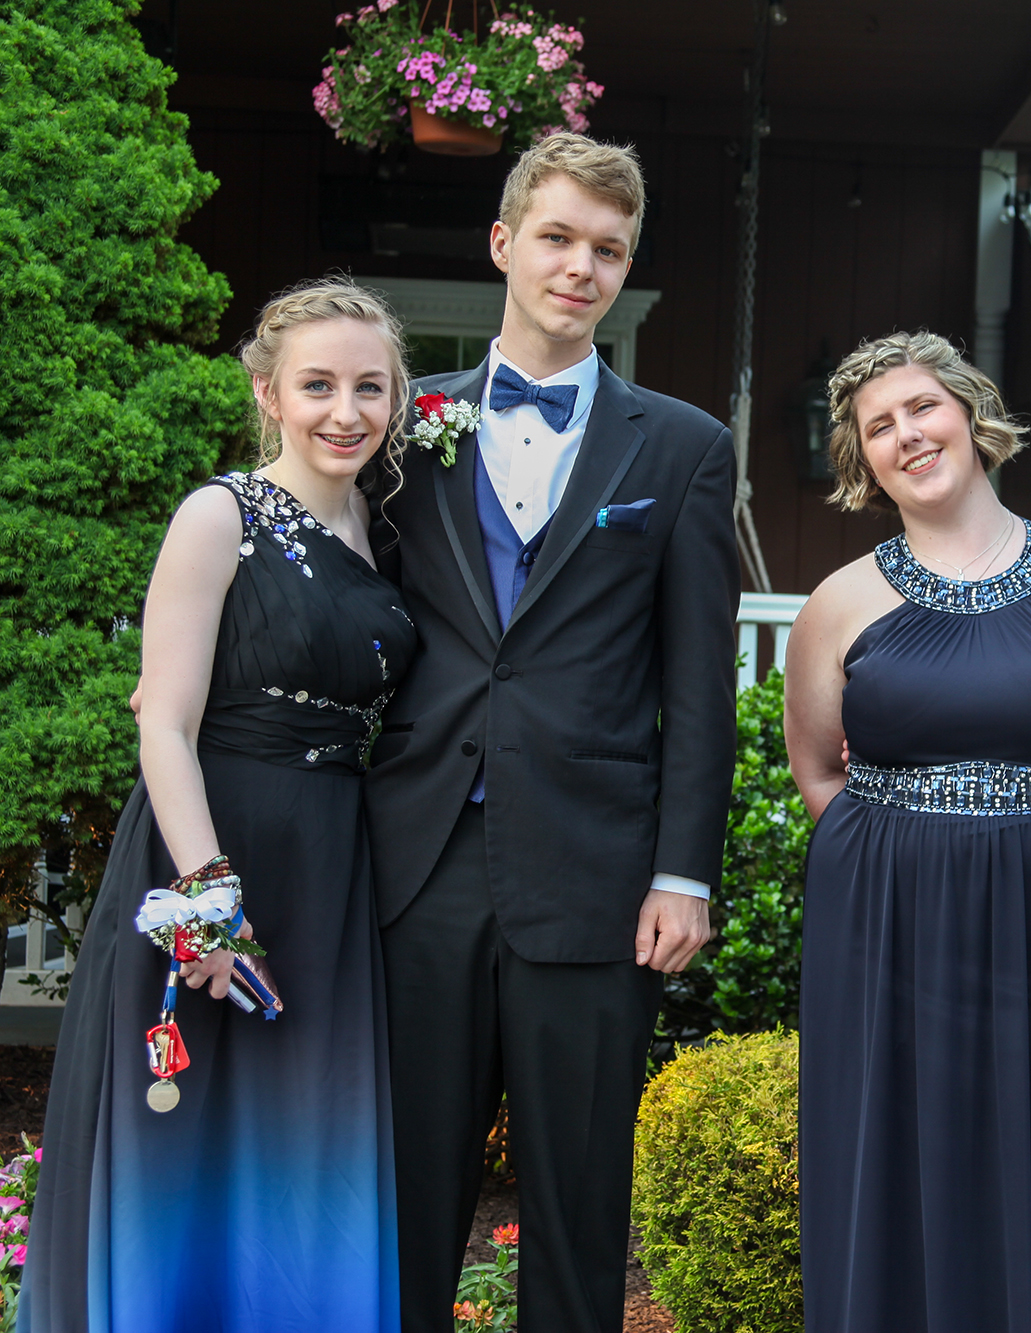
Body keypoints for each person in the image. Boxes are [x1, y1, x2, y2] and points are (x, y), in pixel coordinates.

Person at [362, 133, 738, 1333]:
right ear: (503, 245)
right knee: (409, 1187)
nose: (581, 267)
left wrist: (684, 868)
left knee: (580, 1195)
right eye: (559, 239)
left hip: (596, 871)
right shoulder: (403, 425)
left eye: (608, 249)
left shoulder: (680, 446)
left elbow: (699, 680)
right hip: (416, 862)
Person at [22, 278, 414, 1331]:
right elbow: (164, 720)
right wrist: (206, 903)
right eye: (318, 384)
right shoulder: (218, 515)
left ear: (397, 400)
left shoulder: (385, 535)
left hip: (334, 865)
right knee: (191, 1129)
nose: (346, 411)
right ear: (267, 391)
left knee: (305, 1130)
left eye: (369, 388)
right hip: (210, 847)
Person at [785, 331, 1031, 1332]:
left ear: (972, 415)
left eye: (922, 407)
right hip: (893, 929)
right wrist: (922, 847)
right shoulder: (838, 603)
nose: (908, 433)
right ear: (863, 460)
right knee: (906, 1153)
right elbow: (817, 767)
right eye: (878, 426)